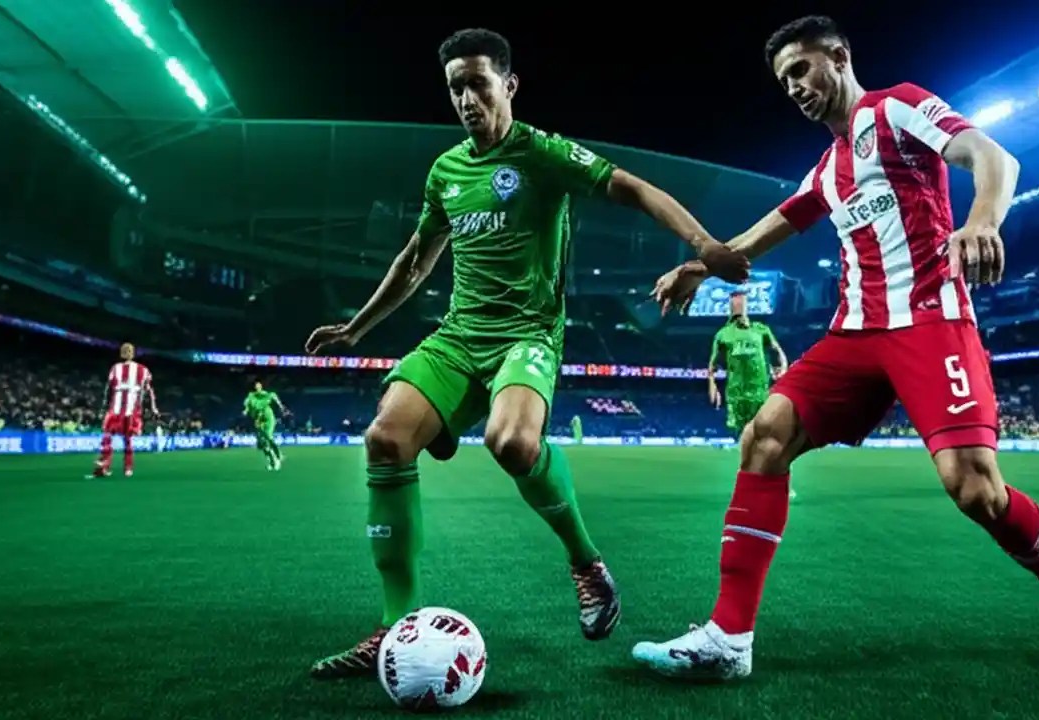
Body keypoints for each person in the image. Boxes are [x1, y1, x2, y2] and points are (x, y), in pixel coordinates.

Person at [633, 15, 1039, 678]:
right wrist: (699, 265)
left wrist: (980, 220)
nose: (794, 88)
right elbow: (755, 240)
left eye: (802, 69)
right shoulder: (826, 170)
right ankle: (729, 639)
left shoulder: (899, 108)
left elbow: (995, 158)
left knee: (976, 491)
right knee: (765, 433)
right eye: (783, 81)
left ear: (838, 55)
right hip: (854, 334)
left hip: (931, 319)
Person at [303, 28, 749, 679]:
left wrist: (703, 245)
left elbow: (634, 188)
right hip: (459, 338)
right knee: (384, 439)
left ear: (509, 85)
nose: (465, 98)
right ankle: (394, 626)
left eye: (478, 83)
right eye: (455, 86)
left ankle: (585, 561)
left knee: (512, 443)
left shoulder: (540, 153)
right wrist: (356, 329)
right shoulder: (446, 171)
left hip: (527, 336)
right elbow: (413, 263)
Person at [708, 291, 793, 498]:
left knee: (772, 438)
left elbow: (777, 349)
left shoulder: (761, 329)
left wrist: (783, 366)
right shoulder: (723, 334)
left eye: (741, 300)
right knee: (746, 440)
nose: (737, 303)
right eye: (734, 301)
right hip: (737, 396)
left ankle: (778, 484)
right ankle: (750, 483)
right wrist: (712, 386)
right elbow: (711, 366)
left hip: (761, 393)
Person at [90, 343, 158, 478]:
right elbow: (150, 391)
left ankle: (110, 464)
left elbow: (108, 390)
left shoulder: (119, 369)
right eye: (126, 350)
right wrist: (153, 408)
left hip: (121, 410)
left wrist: (103, 407)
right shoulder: (139, 370)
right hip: (126, 411)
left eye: (127, 350)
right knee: (122, 438)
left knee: (113, 437)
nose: (127, 352)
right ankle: (120, 467)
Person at [243, 381, 288, 470]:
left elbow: (274, 396)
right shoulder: (251, 396)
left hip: (268, 418)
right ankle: (272, 461)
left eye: (259, 386)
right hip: (258, 419)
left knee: (269, 436)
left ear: (261, 387)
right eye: (256, 386)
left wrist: (281, 406)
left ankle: (278, 456)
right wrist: (246, 410)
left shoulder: (266, 394)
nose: (257, 387)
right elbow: (247, 404)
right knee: (262, 442)